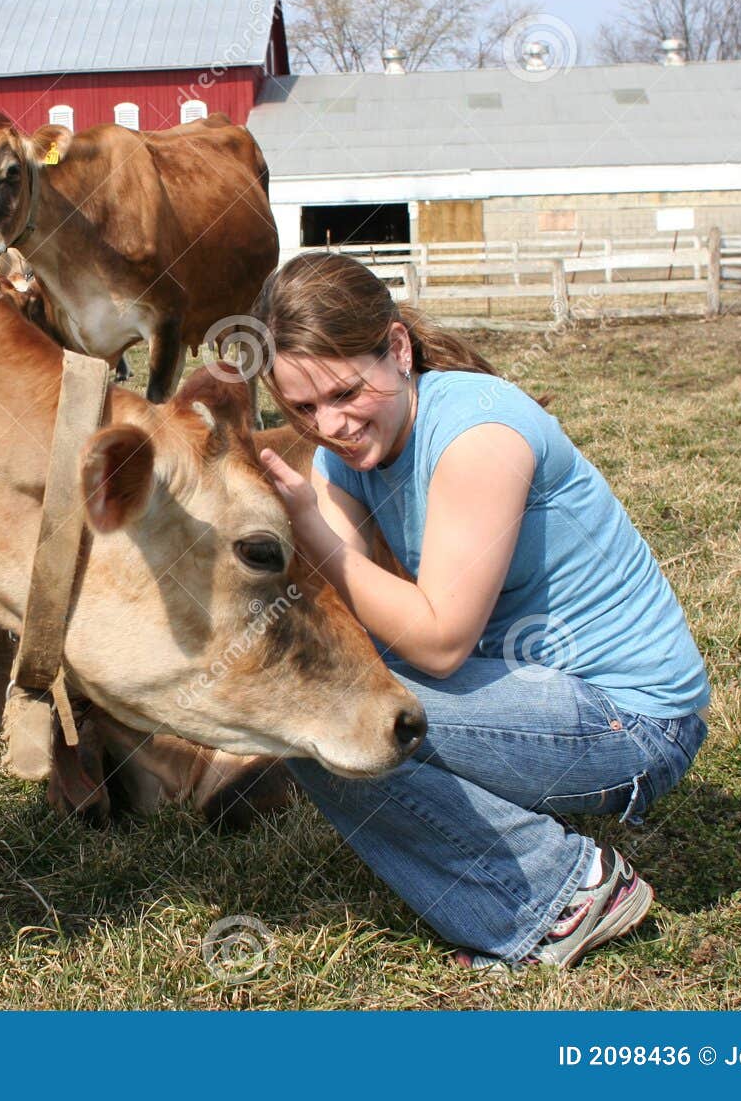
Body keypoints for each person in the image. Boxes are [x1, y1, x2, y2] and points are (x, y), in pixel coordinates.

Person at [254, 253, 710, 969]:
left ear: (398, 349)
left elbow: (436, 640)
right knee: (315, 698)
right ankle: (539, 866)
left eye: (344, 391)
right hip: (538, 692)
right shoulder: (348, 450)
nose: (331, 425)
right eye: (303, 409)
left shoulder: (475, 436)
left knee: (327, 711)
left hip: (636, 724)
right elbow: (352, 611)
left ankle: (561, 892)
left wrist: (313, 530)